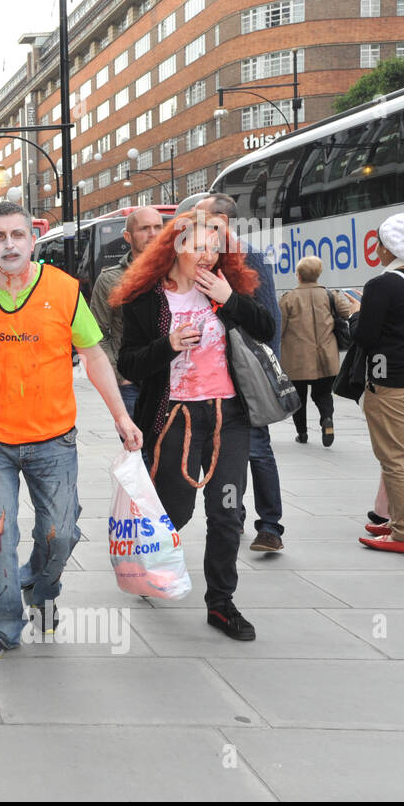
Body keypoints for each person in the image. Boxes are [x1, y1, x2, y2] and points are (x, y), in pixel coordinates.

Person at [0, 201, 143, 660]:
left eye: (17, 235)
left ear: (32, 241)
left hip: (52, 437)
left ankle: (41, 584)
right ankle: (2, 623)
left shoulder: (64, 290)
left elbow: (94, 356)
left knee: (61, 532)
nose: (9, 245)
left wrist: (121, 416)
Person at [114, 211, 274, 640]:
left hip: (229, 417)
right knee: (175, 510)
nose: (207, 254)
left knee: (226, 513)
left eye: (215, 246)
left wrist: (230, 298)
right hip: (174, 419)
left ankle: (221, 603)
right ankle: (145, 560)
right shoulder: (146, 299)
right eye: (198, 245)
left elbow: (268, 326)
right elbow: (128, 362)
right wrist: (167, 345)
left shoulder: (226, 289)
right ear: (174, 246)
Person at [186, 192, 287, 554]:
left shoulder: (249, 257)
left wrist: (266, 375)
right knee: (230, 450)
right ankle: (236, 513)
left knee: (257, 450)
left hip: (246, 374)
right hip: (214, 375)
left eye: (201, 218)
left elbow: (269, 319)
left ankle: (271, 526)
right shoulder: (200, 256)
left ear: (222, 222)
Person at [353, 212, 404, 554]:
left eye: (382, 244)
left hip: (394, 383)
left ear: (391, 249)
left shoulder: (381, 285)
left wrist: (354, 315)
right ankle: (402, 517)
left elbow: (366, 337)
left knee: (397, 457)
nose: (379, 250)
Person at [90, 205, 164, 420]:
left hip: (172, 379)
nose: (153, 234)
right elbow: (97, 334)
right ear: (128, 236)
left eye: (158, 227)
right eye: (145, 228)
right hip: (131, 383)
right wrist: (119, 376)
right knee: (138, 449)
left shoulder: (178, 270)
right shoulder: (110, 279)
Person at [277, 255, 356, 446]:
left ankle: (302, 433)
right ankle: (327, 421)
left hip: (297, 359)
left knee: (299, 397)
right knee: (323, 394)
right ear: (319, 274)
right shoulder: (331, 295)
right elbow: (348, 312)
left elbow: (279, 328)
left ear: (298, 275)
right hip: (326, 357)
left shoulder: (288, 298)